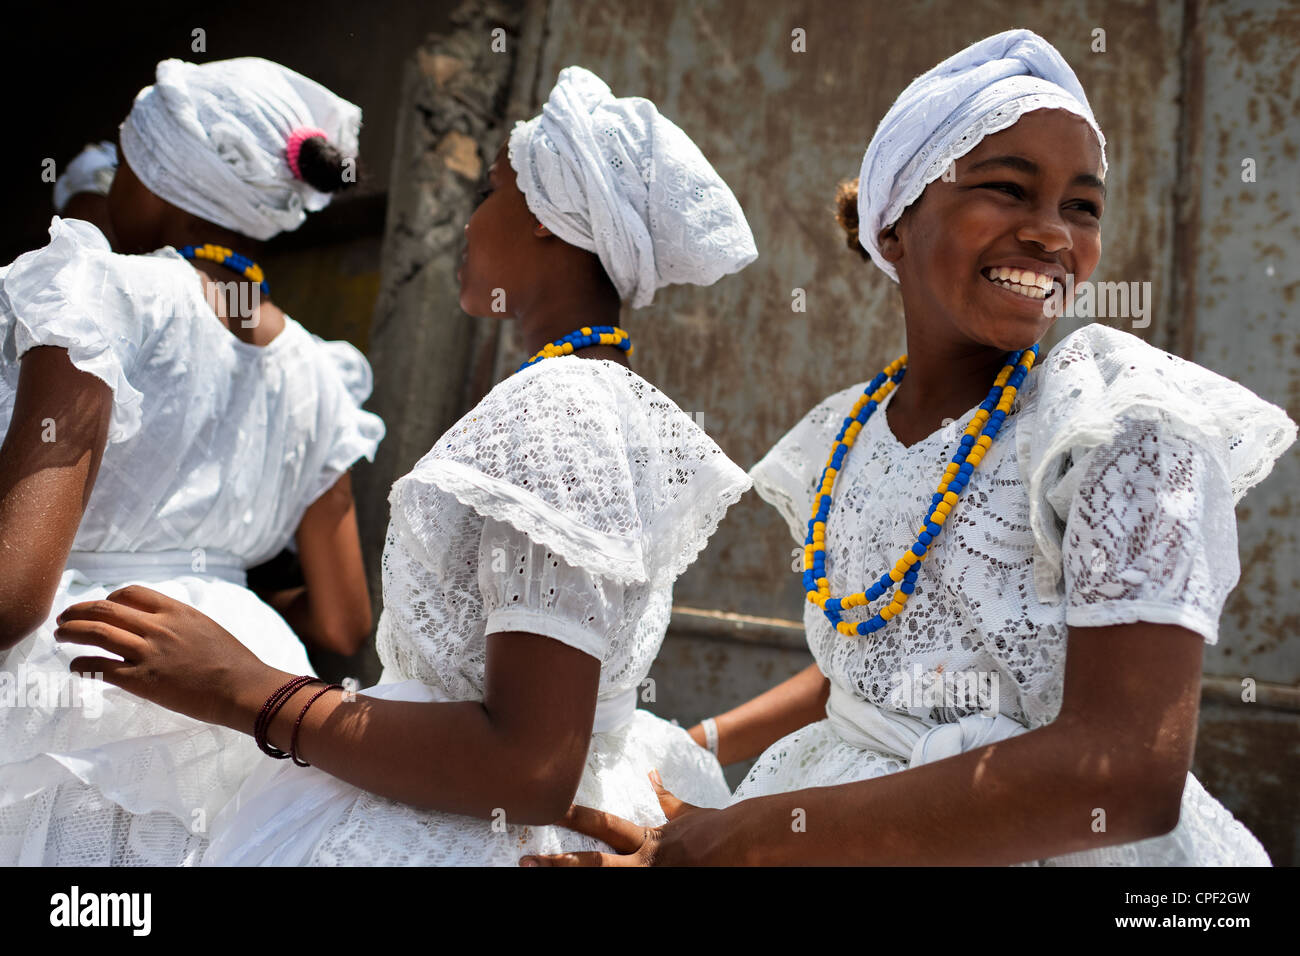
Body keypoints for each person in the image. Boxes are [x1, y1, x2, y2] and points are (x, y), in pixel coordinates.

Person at [522, 30, 1295, 867]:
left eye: (1083, 205)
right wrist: (691, 747)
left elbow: (1122, 775)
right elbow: (880, 668)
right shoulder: (846, 433)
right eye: (1007, 189)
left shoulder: (1119, 427)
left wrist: (744, 836)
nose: (1052, 234)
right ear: (893, 229)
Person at [54, 65, 759, 866]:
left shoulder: (562, 414)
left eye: (489, 193)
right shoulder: (586, 399)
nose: (467, 224)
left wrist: (247, 688)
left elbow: (527, 763)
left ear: (543, 219)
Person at [0, 57, 384, 865]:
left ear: (166, 180)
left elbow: (14, 591)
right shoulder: (320, 371)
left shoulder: (99, 291)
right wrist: (214, 576)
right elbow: (347, 619)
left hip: (88, 671)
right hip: (247, 681)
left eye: (126, 160)